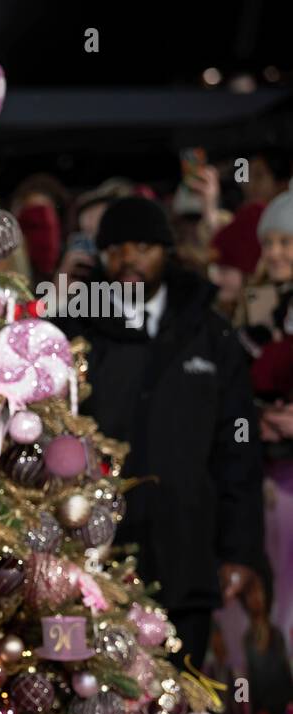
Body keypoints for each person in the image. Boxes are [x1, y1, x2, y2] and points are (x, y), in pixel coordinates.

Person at [55, 195, 268, 672]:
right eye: (115, 249)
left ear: (166, 252)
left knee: (180, 709)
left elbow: (238, 453)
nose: (128, 259)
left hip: (186, 554)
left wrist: (241, 551)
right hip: (95, 561)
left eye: (143, 246)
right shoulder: (75, 329)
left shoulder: (212, 335)